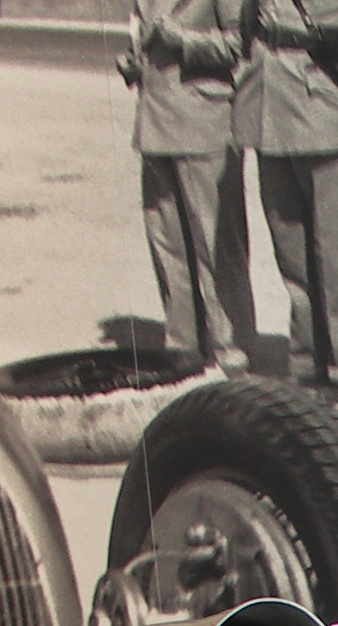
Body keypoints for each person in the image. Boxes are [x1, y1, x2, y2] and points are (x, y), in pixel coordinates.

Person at [233, 0, 338, 399]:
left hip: (329, 105)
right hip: (271, 106)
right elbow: (247, 26)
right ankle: (308, 358)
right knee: (291, 248)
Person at [120, 0, 254, 375]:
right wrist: (134, 63)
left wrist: (181, 40)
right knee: (167, 244)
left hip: (204, 122)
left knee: (216, 243)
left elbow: (239, 44)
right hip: (155, 122)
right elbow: (145, 40)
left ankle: (230, 343)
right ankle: (183, 345)